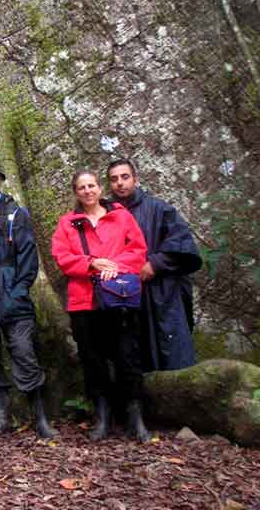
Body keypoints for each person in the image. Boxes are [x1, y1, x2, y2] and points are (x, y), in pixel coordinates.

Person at [50, 169, 151, 442]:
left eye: (92, 185)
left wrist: (115, 266)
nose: (87, 191)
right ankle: (103, 416)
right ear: (75, 192)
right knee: (93, 360)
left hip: (119, 296)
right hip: (84, 300)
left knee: (127, 356)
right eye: (81, 187)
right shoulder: (67, 223)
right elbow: (61, 256)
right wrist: (92, 264)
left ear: (99, 188)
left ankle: (135, 416)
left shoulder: (120, 215)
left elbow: (139, 249)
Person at [0, 157, 57, 438]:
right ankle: (1, 418)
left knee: (24, 354)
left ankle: (40, 418)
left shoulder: (16, 214)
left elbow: (29, 260)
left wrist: (17, 294)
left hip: (13, 301)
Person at [107, 158, 202, 372]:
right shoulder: (107, 215)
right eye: (114, 179)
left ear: (135, 179)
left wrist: (156, 263)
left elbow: (183, 244)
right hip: (126, 294)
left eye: (125, 177)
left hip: (163, 291)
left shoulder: (159, 208)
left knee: (171, 348)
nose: (120, 183)